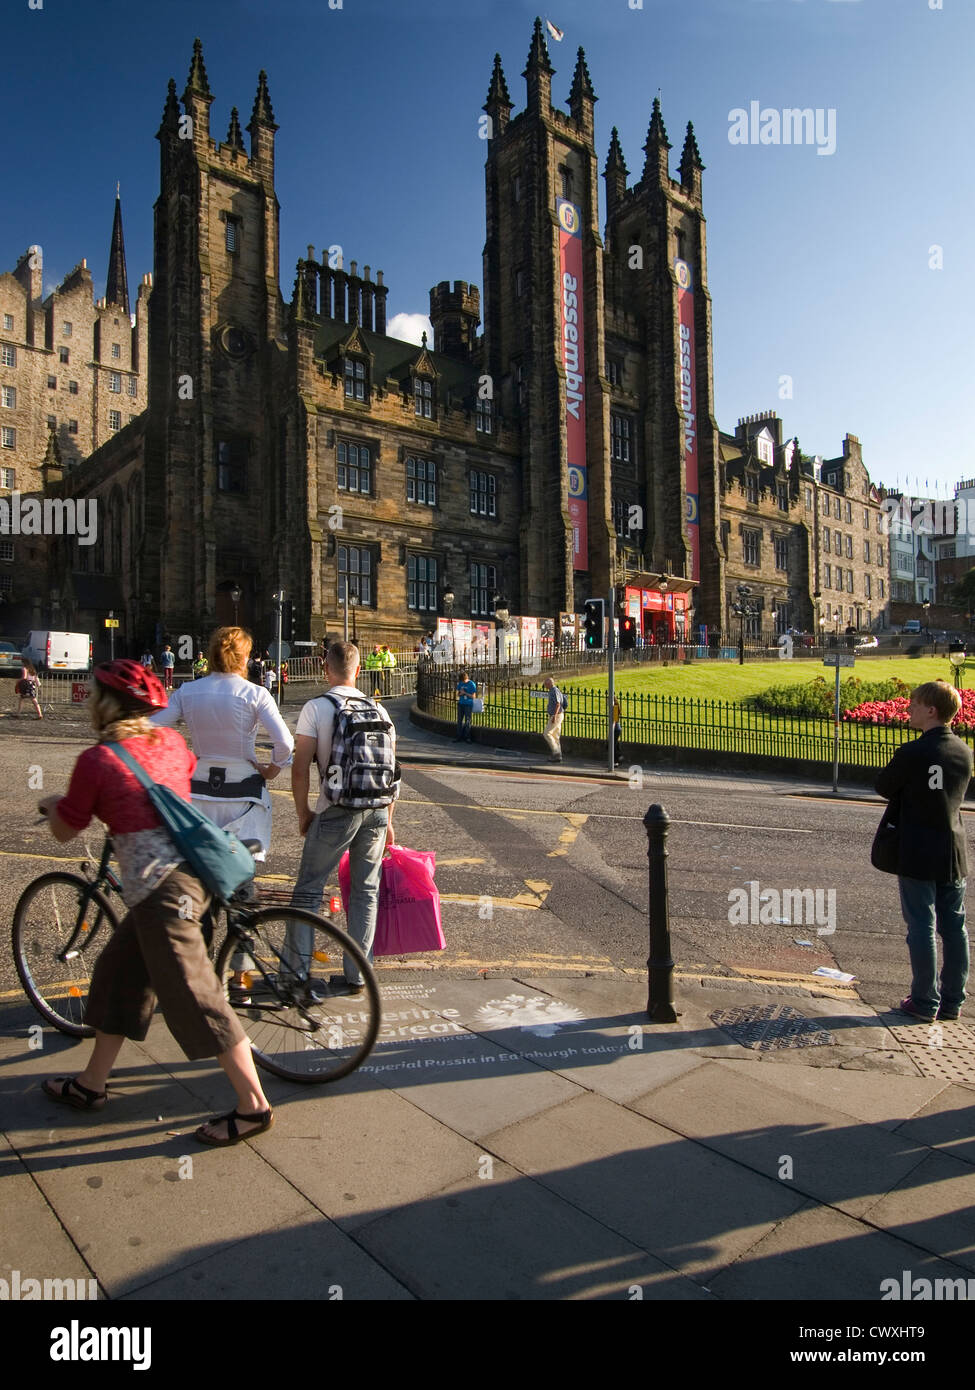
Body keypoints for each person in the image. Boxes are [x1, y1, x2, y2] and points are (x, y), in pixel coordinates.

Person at [37, 659, 273, 1146]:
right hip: (183, 882)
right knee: (119, 977)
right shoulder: (172, 743)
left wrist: (53, 803)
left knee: (198, 994)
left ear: (104, 704)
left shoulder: (98, 761)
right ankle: (90, 1086)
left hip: (165, 895)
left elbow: (65, 830)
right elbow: (170, 785)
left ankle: (254, 1107)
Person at [152, 627, 294, 993]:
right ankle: (240, 977)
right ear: (244, 658)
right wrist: (273, 767)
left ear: (212, 654)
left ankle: (199, 979)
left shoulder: (188, 691)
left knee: (199, 887)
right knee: (242, 888)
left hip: (199, 797)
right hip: (243, 796)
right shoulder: (255, 693)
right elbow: (285, 744)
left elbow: (154, 726)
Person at [288, 640, 397, 994]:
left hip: (336, 810)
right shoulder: (381, 711)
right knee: (366, 891)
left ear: (325, 669)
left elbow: (300, 767)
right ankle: (357, 975)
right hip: (377, 810)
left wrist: (304, 810)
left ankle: (295, 974)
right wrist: (389, 820)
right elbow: (393, 773)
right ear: (359, 670)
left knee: (308, 889)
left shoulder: (317, 708)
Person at [876, 680, 973, 1022]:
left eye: (914, 705)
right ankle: (952, 1001)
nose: (909, 710)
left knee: (921, 925)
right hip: (953, 850)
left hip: (917, 849)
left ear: (931, 710)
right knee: (955, 928)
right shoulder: (964, 751)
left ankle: (924, 1001)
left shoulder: (912, 752)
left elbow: (884, 786)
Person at [542, 675, 566, 763]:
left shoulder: (554, 691)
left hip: (557, 715)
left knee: (546, 733)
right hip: (559, 715)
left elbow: (558, 704)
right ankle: (558, 756)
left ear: (549, 684)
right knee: (555, 736)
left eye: (545, 684)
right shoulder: (554, 690)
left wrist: (554, 716)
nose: (545, 686)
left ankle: (556, 753)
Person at [454, 668, 476, 742]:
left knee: (467, 721)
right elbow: (458, 694)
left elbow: (473, 696)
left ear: (466, 678)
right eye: (461, 681)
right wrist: (460, 693)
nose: (463, 682)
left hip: (468, 704)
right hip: (461, 704)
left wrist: (465, 693)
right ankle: (458, 736)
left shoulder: (471, 684)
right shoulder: (460, 683)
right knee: (459, 721)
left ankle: (467, 737)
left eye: (463, 681)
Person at [612, 692, 622, 767]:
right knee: (614, 745)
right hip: (616, 728)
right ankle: (619, 758)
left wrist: (611, 730)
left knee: (612, 745)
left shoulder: (615, 707)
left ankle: (616, 761)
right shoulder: (614, 706)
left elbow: (615, 720)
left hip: (616, 729)